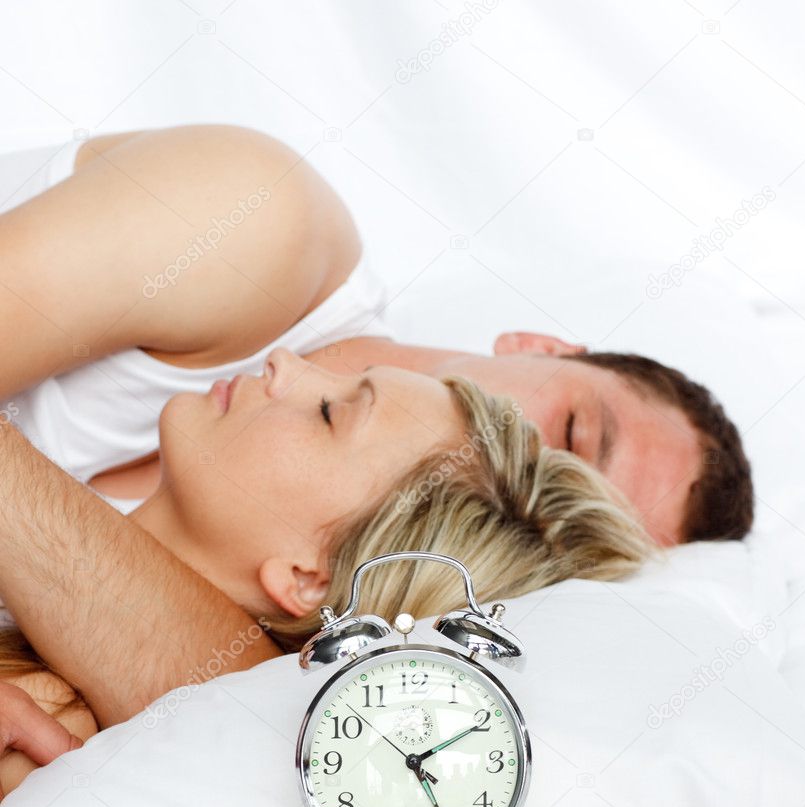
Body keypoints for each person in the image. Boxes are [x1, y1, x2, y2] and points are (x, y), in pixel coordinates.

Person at [0, 125, 752, 550]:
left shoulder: (302, 577)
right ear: (538, 347)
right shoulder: (261, 228)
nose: (523, 487)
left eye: (563, 524)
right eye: (571, 438)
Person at [0, 350, 650, 796]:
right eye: (339, 381)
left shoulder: (43, 722)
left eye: (330, 413)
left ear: (309, 579)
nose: (285, 362)